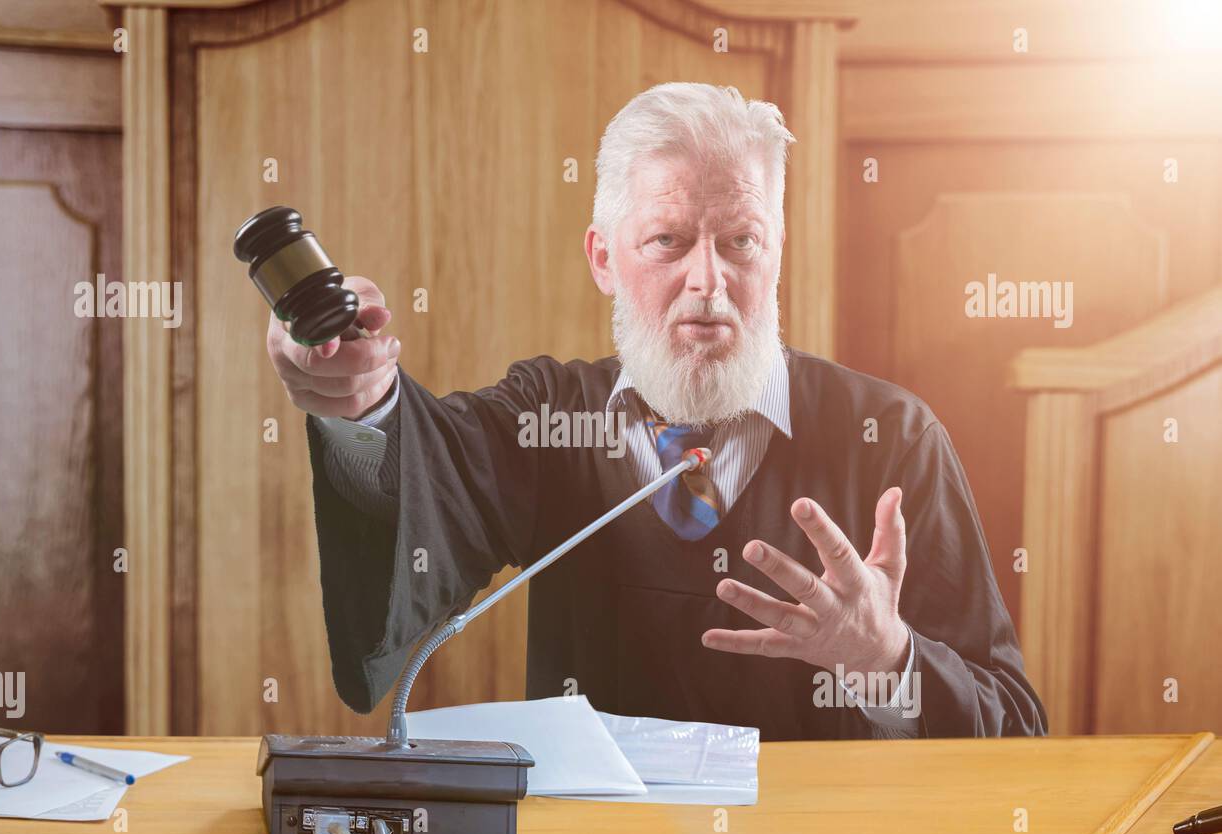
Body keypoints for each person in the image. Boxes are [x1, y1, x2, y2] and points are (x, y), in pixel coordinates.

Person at [265, 82, 1046, 740]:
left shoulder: (892, 442)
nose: (708, 281)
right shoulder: (550, 420)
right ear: (604, 258)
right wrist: (362, 400)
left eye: (741, 241)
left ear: (777, 250)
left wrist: (890, 661)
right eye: (668, 241)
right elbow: (426, 469)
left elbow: (1014, 727)